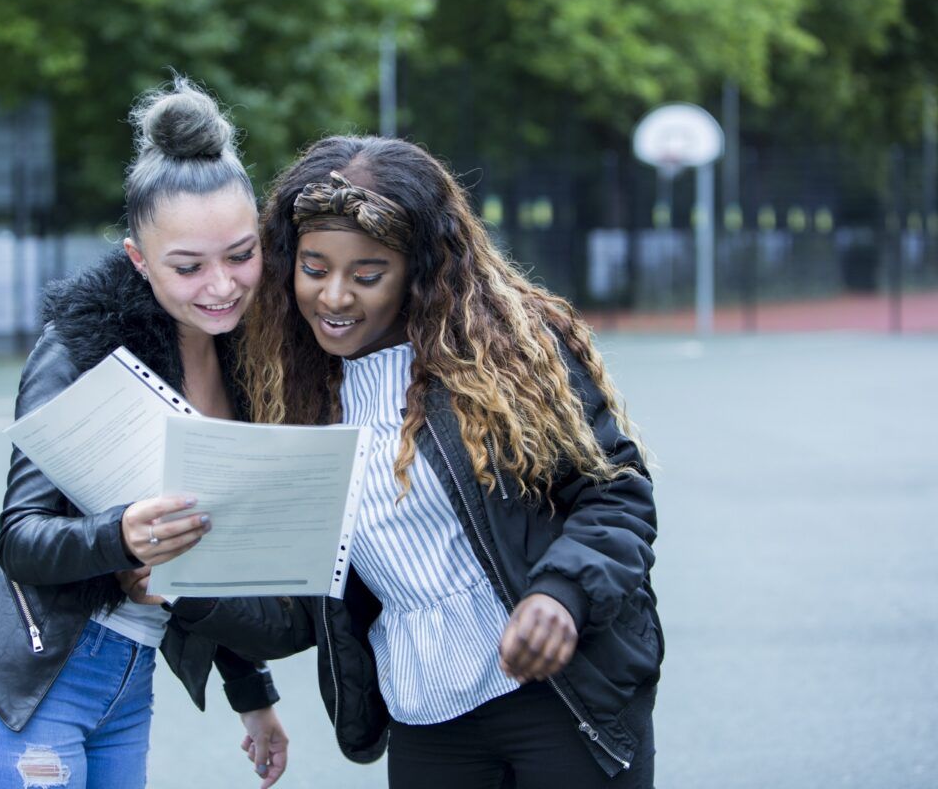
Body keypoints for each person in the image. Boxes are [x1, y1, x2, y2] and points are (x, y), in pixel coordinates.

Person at [170, 135, 662, 787]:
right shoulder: (290, 391)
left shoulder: (504, 352)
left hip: (565, 700)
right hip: (425, 721)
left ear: (420, 270)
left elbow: (616, 493)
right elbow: (298, 611)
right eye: (315, 269)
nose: (336, 296)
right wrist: (183, 587)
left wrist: (561, 595)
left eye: (368, 275)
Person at [0, 78, 288, 789]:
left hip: (129, 687)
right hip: (28, 684)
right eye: (187, 266)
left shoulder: (253, 359)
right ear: (138, 259)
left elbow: (210, 550)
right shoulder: (80, 345)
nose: (221, 284)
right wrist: (123, 535)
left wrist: (254, 698)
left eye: (241, 255)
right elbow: (20, 538)